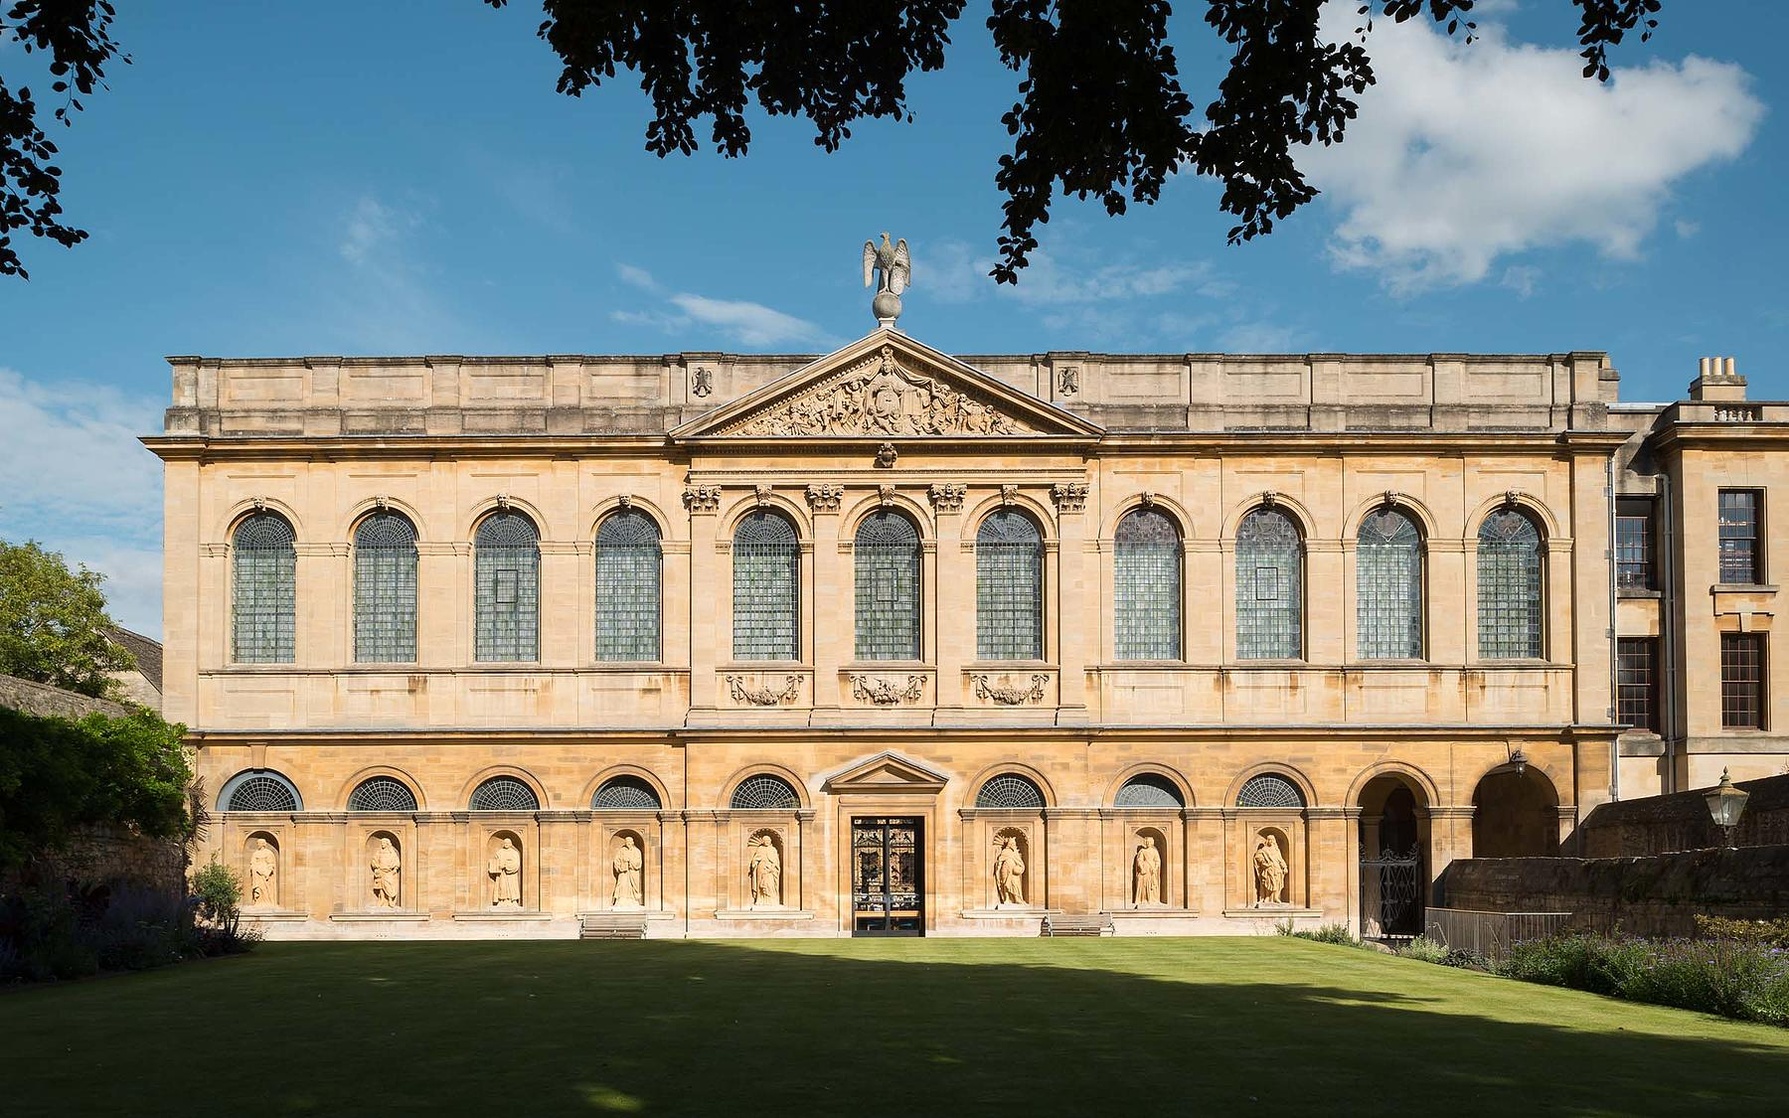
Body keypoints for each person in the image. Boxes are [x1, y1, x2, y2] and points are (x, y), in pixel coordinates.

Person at [747, 835, 782, 907]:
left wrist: (772, 868)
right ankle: (760, 900)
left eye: (768, 841)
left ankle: (772, 900)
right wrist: (754, 864)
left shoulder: (773, 850)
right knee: (761, 884)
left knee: (770, 885)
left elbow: (776, 860)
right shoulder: (760, 849)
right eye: (765, 841)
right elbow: (756, 858)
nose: (767, 842)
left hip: (771, 870)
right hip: (761, 868)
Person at [1254, 836, 1288, 905]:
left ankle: (1276, 897)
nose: (1271, 841)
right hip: (1269, 868)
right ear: (1267, 840)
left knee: (1278, 883)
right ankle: (1267, 897)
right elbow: (1258, 857)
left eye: (1272, 840)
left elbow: (1280, 859)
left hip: (1277, 868)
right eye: (1269, 840)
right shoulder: (1264, 850)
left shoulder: (1276, 850)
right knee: (1268, 882)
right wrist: (1264, 863)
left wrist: (1284, 867)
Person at [488, 837, 522, 908]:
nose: (506, 844)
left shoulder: (514, 853)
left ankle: (513, 901)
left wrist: (506, 865)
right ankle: (502, 901)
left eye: (508, 843)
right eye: (505, 843)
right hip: (502, 874)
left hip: (511, 875)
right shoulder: (500, 852)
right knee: (502, 887)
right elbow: (495, 861)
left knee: (512, 887)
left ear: (510, 844)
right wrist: (495, 866)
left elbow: (516, 864)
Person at [612, 835, 644, 908]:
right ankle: (621, 900)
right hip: (623, 872)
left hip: (633, 872)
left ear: (633, 842)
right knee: (622, 885)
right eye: (627, 841)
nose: (628, 843)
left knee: (633, 886)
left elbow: (639, 862)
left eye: (630, 841)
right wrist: (621, 866)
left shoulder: (637, 851)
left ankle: (633, 900)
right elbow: (616, 861)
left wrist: (630, 861)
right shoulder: (621, 851)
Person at [993, 836, 1026, 905]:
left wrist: (1020, 868)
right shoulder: (1005, 851)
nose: (1014, 845)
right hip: (1005, 869)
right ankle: (1006, 899)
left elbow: (1020, 862)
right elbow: (999, 861)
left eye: (1014, 844)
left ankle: (1017, 898)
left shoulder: (1015, 853)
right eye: (1013, 844)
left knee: (1015, 884)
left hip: (1013, 872)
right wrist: (998, 867)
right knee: (1005, 884)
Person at [370, 837, 401, 908]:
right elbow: (374, 860)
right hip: (381, 871)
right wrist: (376, 867)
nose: (382, 845)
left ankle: (390, 900)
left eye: (384, 843)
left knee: (389, 886)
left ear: (387, 844)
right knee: (381, 886)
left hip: (388, 872)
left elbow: (396, 861)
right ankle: (382, 900)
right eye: (381, 843)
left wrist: (395, 869)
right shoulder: (379, 852)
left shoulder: (391, 853)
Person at [248, 838, 277, 907]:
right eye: (257, 843)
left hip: (265, 872)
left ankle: (268, 903)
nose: (258, 844)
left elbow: (271, 864)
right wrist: (254, 867)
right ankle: (258, 902)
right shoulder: (255, 853)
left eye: (259, 843)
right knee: (259, 888)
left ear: (263, 844)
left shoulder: (268, 853)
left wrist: (268, 872)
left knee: (266, 888)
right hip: (257, 873)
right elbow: (252, 862)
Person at [1134, 836, 1162, 906]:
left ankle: (1153, 899)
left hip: (1152, 870)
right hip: (1144, 869)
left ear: (1152, 843)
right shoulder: (1142, 851)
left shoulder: (1154, 851)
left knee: (1152, 885)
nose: (1148, 843)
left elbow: (1157, 861)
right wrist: (1141, 868)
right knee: (1143, 885)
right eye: (1147, 842)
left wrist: (1155, 868)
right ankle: (1144, 899)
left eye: (1149, 842)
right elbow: (1139, 860)